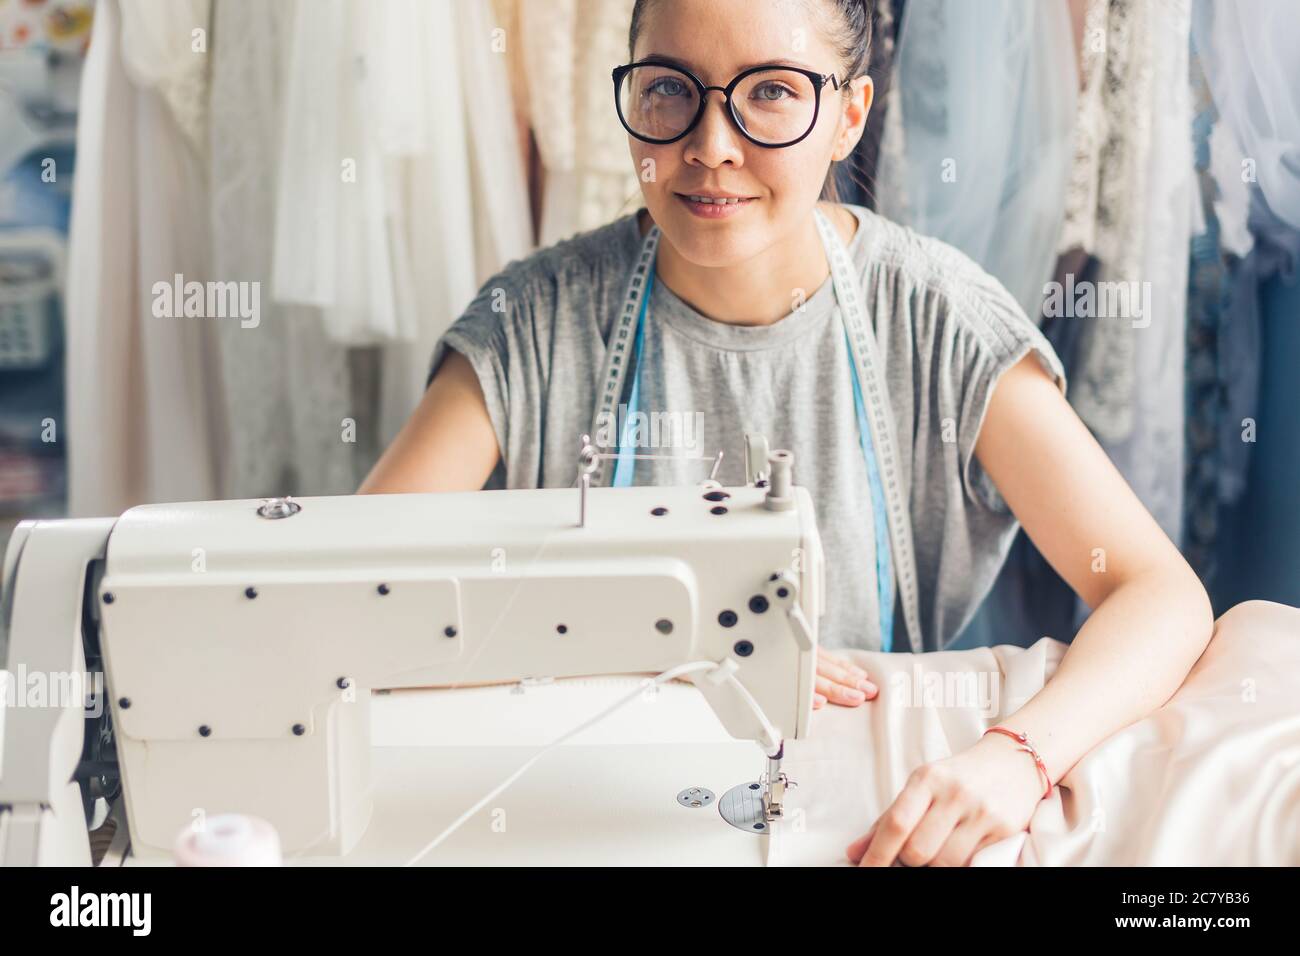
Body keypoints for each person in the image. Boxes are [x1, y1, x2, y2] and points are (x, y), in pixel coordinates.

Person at [360, 0, 1215, 866]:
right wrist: (657, 645)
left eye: (769, 92)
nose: (710, 146)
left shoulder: (938, 321)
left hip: (855, 822)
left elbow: (1160, 595)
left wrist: (1019, 757)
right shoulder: (533, 322)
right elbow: (363, 590)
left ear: (850, 115)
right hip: (585, 800)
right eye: (668, 89)